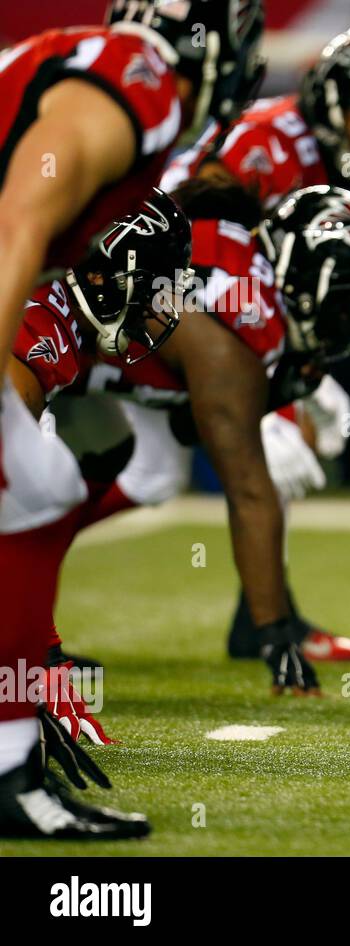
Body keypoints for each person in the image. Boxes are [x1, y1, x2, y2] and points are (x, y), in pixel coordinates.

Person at [0, 0, 264, 841]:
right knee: (31, 480)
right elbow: (22, 213)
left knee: (35, 484)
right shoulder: (139, 75)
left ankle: (10, 756)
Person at [66, 183, 350, 699]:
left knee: (135, 472)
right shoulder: (237, 327)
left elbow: (185, 411)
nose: (348, 318)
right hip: (40, 337)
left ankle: (27, 625)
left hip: (89, 370)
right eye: (345, 299)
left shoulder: (245, 275)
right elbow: (248, 490)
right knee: (35, 486)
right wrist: (277, 636)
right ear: (304, 274)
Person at [160, 26, 350, 662]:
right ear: (331, 105)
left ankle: (264, 614)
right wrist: (279, 371)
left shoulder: (320, 154)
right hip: (171, 312)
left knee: (142, 476)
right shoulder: (267, 147)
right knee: (280, 448)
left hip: (217, 318)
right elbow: (201, 247)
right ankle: (267, 621)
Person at [0, 190, 192, 839]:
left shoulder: (56, 315)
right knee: (41, 482)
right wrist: (31, 670)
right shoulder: (37, 323)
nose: (158, 306)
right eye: (152, 285)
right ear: (103, 269)